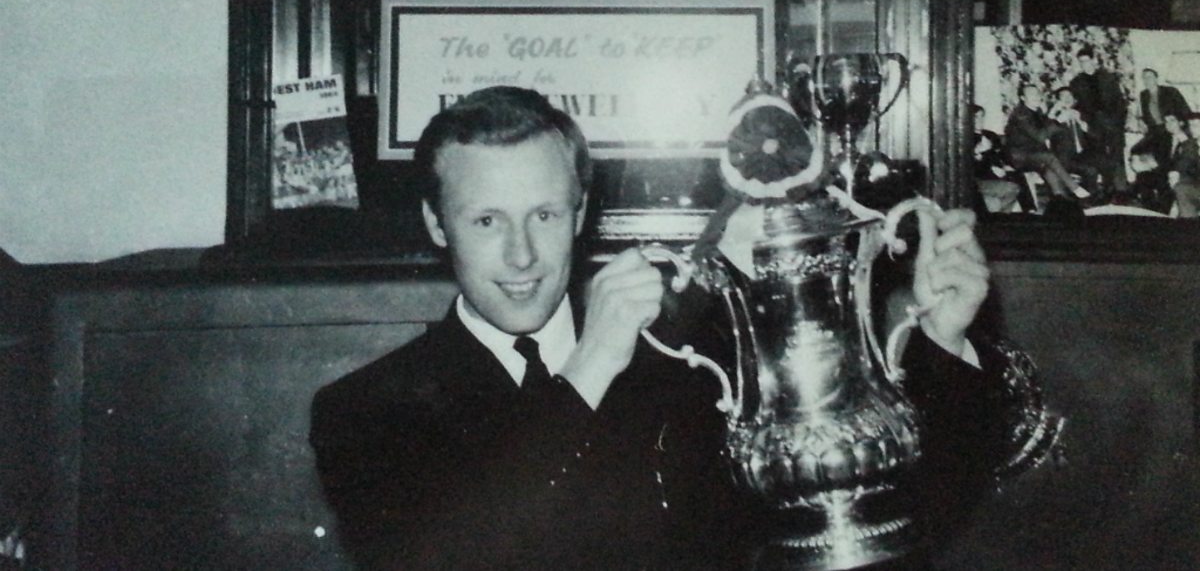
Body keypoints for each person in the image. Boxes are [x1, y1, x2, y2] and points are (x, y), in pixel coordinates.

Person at [309, 87, 1030, 570]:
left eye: (545, 214)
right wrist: (589, 366)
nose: (522, 255)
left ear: (581, 212)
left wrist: (944, 338)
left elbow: (874, 523)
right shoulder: (367, 411)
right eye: (487, 220)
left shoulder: (687, 362)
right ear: (437, 223)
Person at [1004, 84, 1090, 203]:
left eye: (1037, 93)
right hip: (1019, 156)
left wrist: (1054, 111)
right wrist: (1058, 120)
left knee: (1049, 169)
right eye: (1031, 94)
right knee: (1049, 157)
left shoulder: (1036, 111)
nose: (1036, 96)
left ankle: (1060, 200)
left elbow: (1046, 126)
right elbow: (1040, 136)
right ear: (1023, 98)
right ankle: (1075, 188)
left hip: (1035, 154)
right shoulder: (1021, 114)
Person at [1068, 47, 1130, 195]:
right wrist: (1084, 122)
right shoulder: (1076, 83)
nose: (1084, 64)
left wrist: (1118, 122)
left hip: (1113, 123)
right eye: (1081, 62)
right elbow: (1077, 105)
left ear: (1093, 60)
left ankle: (1121, 191)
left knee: (1117, 157)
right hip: (1092, 127)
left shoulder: (1108, 77)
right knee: (1101, 159)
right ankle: (1107, 190)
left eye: (1087, 60)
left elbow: (1120, 102)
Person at [1047, 87, 1101, 197]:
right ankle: (1088, 198)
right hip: (1064, 159)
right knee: (1090, 170)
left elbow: (1097, 136)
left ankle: (1096, 197)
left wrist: (1083, 125)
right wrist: (1057, 119)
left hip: (1082, 154)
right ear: (1058, 101)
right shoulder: (1053, 118)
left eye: (1069, 96)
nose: (1067, 99)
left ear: (1074, 99)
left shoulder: (1079, 114)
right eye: (1063, 96)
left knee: (1104, 162)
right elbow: (1045, 133)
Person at [1167, 114, 1200, 217]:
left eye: (1195, 126)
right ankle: (1189, 221)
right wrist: (1176, 174)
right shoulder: (1189, 145)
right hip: (1196, 187)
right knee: (1181, 187)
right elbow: (1184, 164)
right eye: (1190, 125)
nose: (1192, 129)